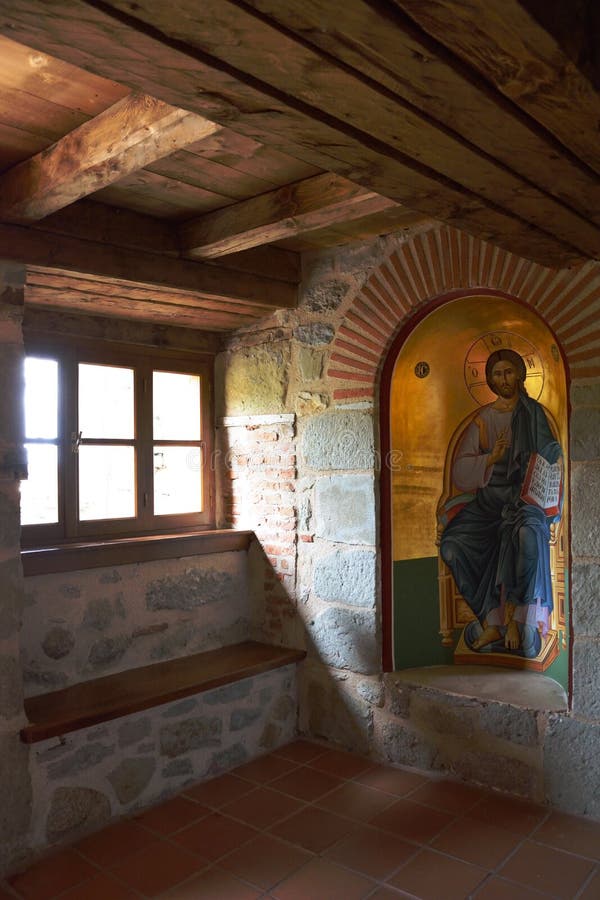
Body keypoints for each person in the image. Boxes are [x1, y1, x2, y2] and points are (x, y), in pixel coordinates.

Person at [440, 349, 562, 656]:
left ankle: (518, 620)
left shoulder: (532, 414)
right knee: (452, 546)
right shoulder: (483, 420)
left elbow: (551, 454)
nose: (503, 379)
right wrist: (491, 457)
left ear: (520, 374)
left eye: (508, 372)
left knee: (525, 535)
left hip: (524, 500)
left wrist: (544, 464)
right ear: (489, 380)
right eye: (496, 374)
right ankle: (489, 620)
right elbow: (461, 469)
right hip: (488, 502)